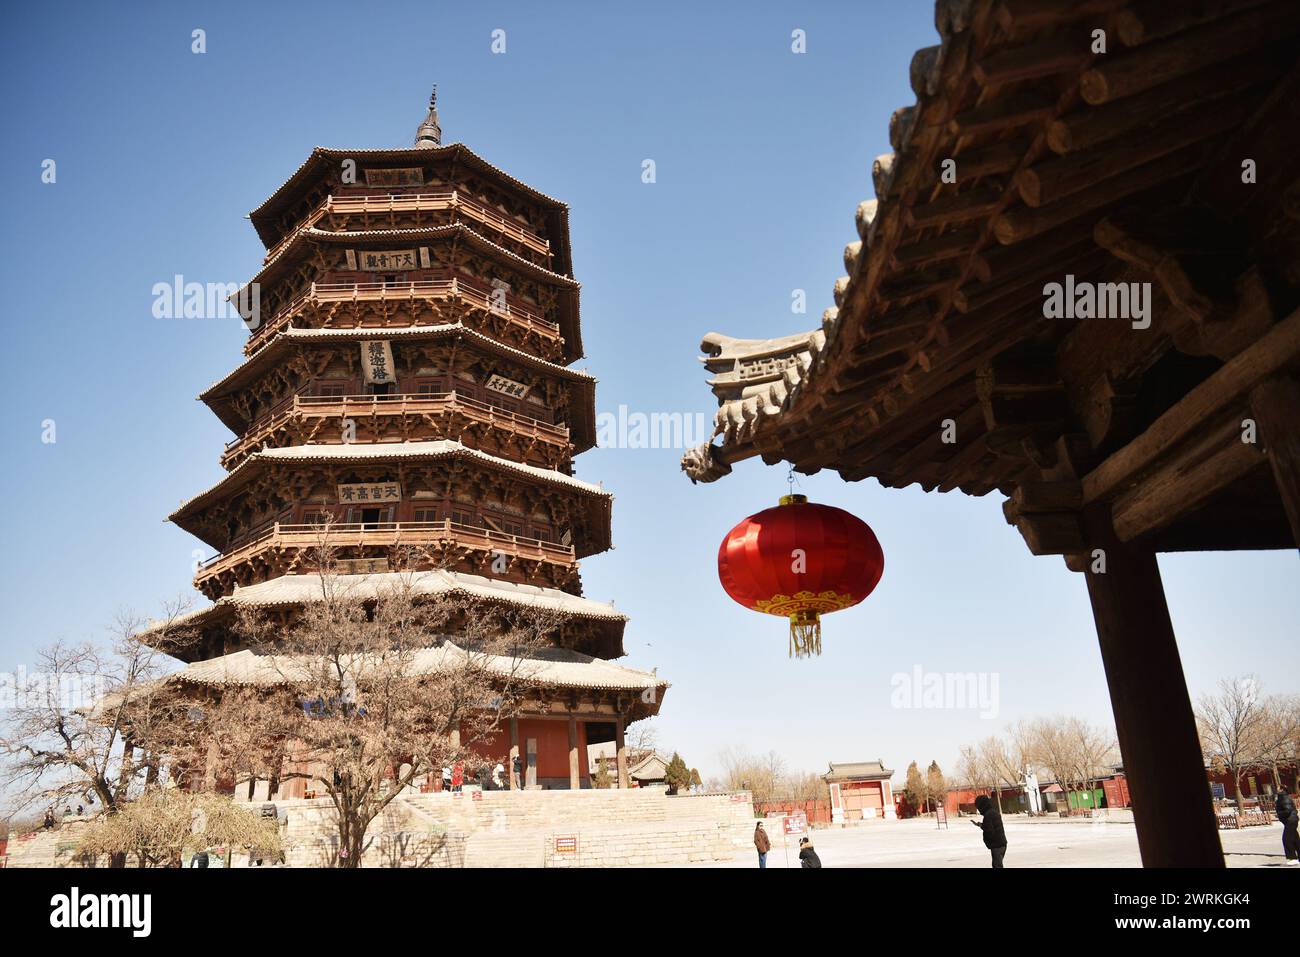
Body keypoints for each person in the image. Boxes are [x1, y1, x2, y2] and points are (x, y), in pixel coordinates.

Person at [972, 794, 1007, 867]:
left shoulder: (988, 815)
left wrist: (987, 841)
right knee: (998, 865)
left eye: (979, 807)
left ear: (982, 806)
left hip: (996, 845)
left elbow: (989, 831)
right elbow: (992, 826)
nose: (979, 810)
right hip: (1001, 844)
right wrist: (981, 825)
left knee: (997, 866)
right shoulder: (993, 812)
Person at [1275, 787, 1299, 866]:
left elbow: (1288, 810)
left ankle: (1292, 858)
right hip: (1290, 820)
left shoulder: (1284, 797)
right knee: (1295, 839)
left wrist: (1279, 814)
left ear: (1282, 790)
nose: (1276, 789)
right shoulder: (1281, 797)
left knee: (1286, 839)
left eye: (1278, 788)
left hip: (1290, 820)